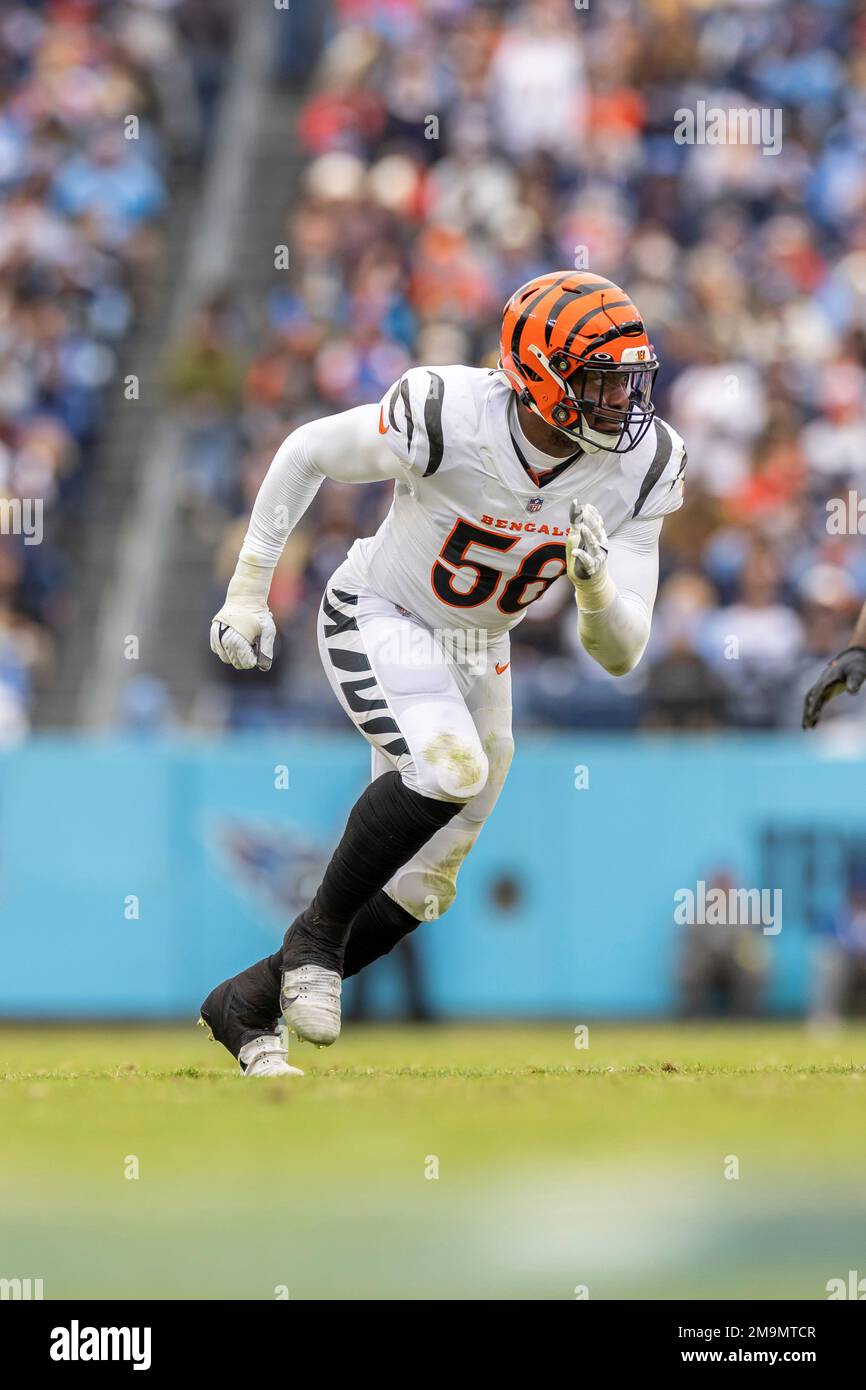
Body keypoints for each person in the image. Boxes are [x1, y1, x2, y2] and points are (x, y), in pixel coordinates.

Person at [199, 270, 687, 1075]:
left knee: (427, 887)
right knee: (447, 767)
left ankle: (247, 1003)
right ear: (541, 375)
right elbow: (308, 449)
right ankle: (315, 944)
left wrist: (595, 590)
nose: (622, 404)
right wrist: (249, 592)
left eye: (629, 382)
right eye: (600, 383)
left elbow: (621, 655)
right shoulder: (447, 413)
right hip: (382, 613)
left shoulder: (645, 463)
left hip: (478, 649)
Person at [802, 600, 866, 729]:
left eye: (828, 627)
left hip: (845, 734)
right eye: (819, 627)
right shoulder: (798, 667)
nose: (823, 633)